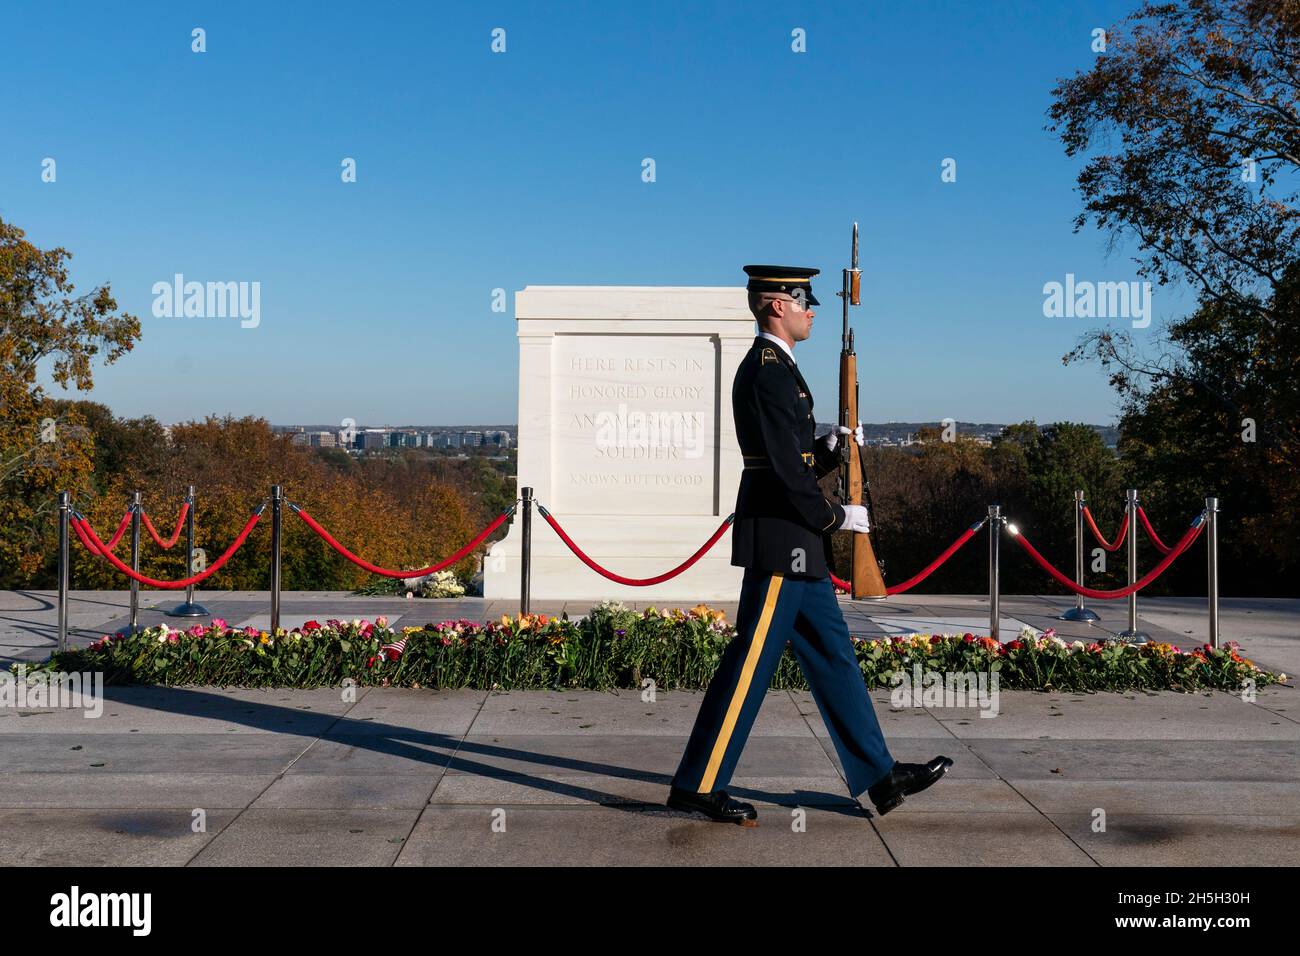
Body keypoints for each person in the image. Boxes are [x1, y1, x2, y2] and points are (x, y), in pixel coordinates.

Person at [665, 264, 953, 825]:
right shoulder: (769, 372)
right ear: (777, 305)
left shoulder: (783, 370)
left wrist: (830, 450)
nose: (812, 309)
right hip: (781, 538)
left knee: (833, 656)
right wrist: (835, 515)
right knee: (750, 662)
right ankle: (699, 783)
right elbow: (778, 471)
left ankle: (878, 772)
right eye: (803, 301)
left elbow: (794, 460)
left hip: (796, 541)